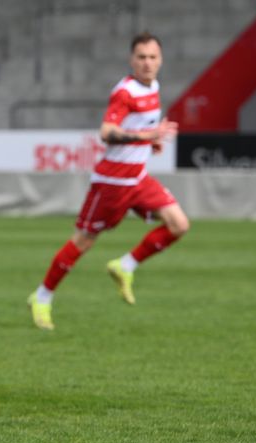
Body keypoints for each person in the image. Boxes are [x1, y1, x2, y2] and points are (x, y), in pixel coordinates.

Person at [28, 33, 187, 331]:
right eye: (141, 57)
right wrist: (146, 137)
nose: (147, 63)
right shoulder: (124, 92)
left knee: (179, 224)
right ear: (132, 60)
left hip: (137, 178)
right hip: (111, 183)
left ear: (161, 59)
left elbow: (141, 127)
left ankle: (124, 266)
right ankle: (42, 297)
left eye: (152, 57)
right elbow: (107, 131)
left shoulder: (153, 87)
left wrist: (149, 143)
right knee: (83, 242)